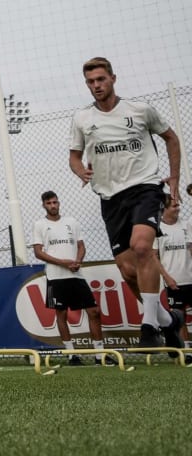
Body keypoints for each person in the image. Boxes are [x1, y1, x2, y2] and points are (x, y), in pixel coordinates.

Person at [69, 57, 182, 350]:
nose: (96, 86)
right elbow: (74, 156)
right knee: (128, 270)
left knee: (143, 247)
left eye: (101, 80)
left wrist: (174, 180)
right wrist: (80, 169)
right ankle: (169, 322)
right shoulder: (82, 119)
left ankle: (148, 326)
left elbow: (171, 138)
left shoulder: (140, 110)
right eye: (91, 82)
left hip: (144, 187)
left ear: (113, 79)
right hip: (110, 197)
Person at [31, 190, 108, 365]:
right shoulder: (39, 225)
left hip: (76, 274)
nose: (53, 206)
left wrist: (77, 262)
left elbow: (81, 246)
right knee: (62, 313)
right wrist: (63, 263)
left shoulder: (71, 222)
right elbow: (38, 252)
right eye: (49, 203)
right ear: (44, 205)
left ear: (59, 203)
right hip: (56, 276)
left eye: (55, 202)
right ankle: (72, 354)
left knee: (93, 311)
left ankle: (100, 354)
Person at [155, 192, 191, 360]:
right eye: (175, 205)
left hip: (190, 277)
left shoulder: (187, 225)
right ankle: (186, 352)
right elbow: (154, 257)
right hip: (174, 281)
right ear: (164, 208)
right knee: (179, 316)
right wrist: (167, 277)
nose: (178, 208)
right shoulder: (158, 230)